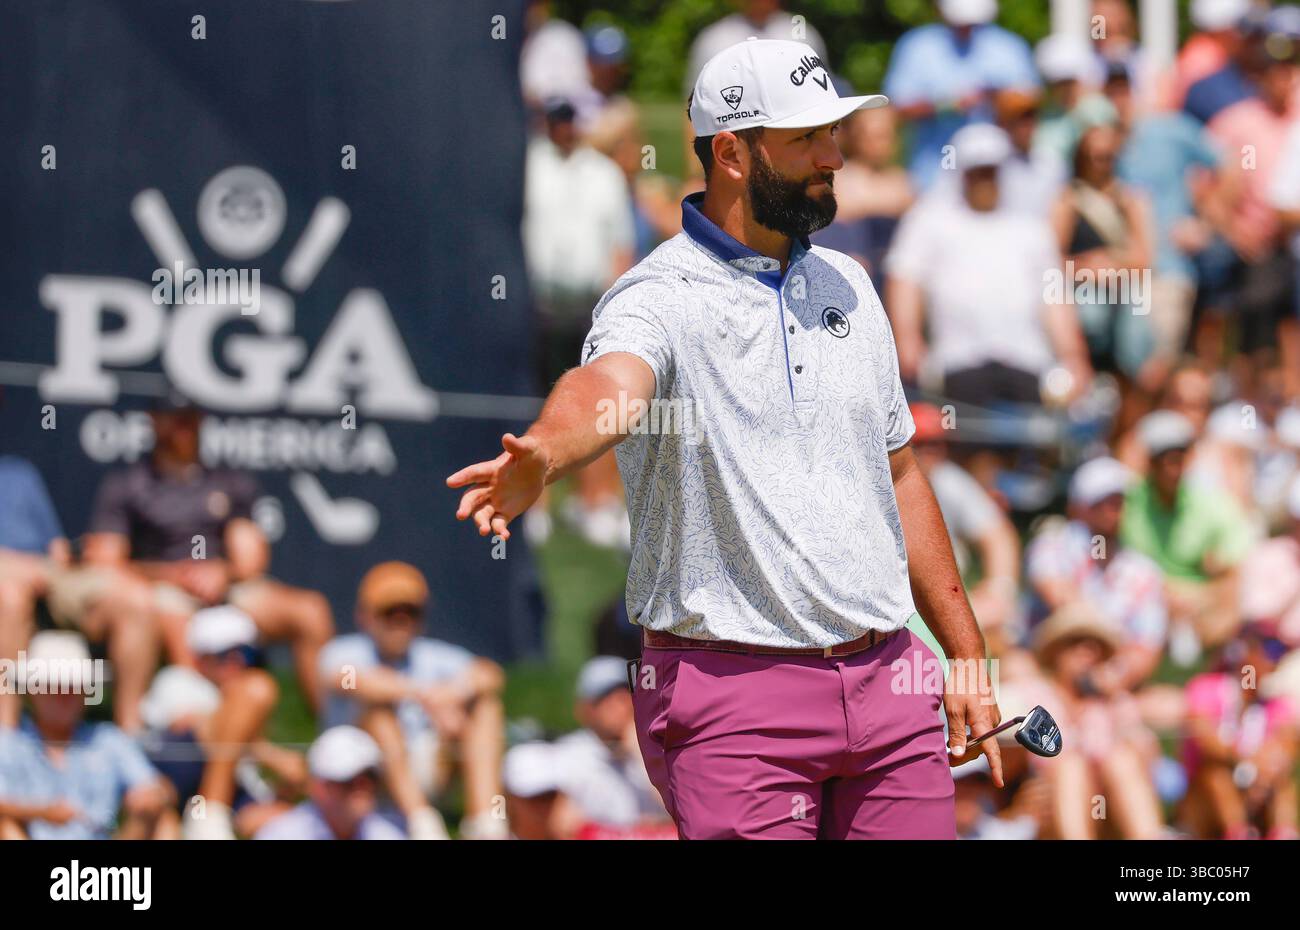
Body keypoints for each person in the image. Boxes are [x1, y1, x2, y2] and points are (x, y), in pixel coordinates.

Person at [449, 39, 1003, 840]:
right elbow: (609, 387)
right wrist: (550, 449)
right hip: (734, 697)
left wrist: (965, 656)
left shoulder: (850, 282)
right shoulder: (657, 296)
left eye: (833, 133)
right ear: (733, 153)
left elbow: (903, 476)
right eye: (807, 138)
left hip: (891, 683)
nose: (834, 156)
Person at [82, 397, 334, 713]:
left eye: (191, 419)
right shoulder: (127, 485)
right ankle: (210, 732)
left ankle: (333, 733)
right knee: (177, 621)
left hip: (227, 588)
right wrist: (173, 575)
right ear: (153, 421)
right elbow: (107, 561)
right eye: (175, 419)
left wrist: (222, 573)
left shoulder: (229, 481)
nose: (183, 428)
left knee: (311, 610)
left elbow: (251, 559)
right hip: (159, 592)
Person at [887, 123, 1093, 406]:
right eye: (977, 171)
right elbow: (905, 277)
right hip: (957, 363)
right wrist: (908, 340)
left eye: (991, 170)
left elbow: (1054, 298)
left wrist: (1073, 356)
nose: (985, 179)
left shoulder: (1031, 228)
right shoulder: (928, 220)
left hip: (1027, 362)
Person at [318, 561, 506, 840]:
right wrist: (430, 698)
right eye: (389, 613)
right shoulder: (342, 651)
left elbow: (491, 674)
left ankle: (486, 824)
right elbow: (352, 681)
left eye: (410, 612)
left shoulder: (432, 654)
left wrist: (456, 692)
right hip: (365, 777)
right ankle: (423, 824)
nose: (400, 622)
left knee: (486, 707)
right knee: (378, 714)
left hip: (430, 763)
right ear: (364, 616)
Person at [0, 456, 159, 732]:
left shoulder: (21, 473)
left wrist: (61, 561)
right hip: (11, 582)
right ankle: (6, 732)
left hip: (46, 575)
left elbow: (57, 548)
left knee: (136, 600)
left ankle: (132, 735)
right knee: (9, 596)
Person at [0, 631, 176, 840]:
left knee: (162, 817)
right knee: (6, 825)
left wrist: (152, 796)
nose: (63, 696)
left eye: (71, 687)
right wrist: (43, 812)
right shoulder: (9, 744)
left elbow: (158, 788)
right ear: (32, 692)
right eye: (52, 687)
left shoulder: (108, 739)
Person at [1019, 602, 1165, 839]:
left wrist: (1114, 698)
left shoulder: (1112, 700)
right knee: (1071, 768)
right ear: (1057, 651)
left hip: (1107, 808)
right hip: (1046, 806)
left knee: (1121, 760)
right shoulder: (1033, 694)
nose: (1086, 652)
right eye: (1076, 643)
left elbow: (1149, 757)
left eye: (1094, 647)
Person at [1121, 410, 1256, 656]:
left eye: (1179, 459)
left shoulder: (1214, 505)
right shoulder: (1126, 504)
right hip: (1139, 611)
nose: (1173, 470)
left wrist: (1195, 600)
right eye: (1165, 460)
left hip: (1198, 614)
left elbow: (1233, 574)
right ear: (1150, 462)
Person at [1025, 457, 1167, 690]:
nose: (1112, 509)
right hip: (1045, 668)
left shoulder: (1144, 572)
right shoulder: (1051, 547)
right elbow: (1060, 601)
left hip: (1107, 683)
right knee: (1018, 669)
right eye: (1101, 501)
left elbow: (1146, 650)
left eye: (1118, 501)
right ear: (1078, 507)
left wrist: (1103, 681)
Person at [883, 0, 1038, 190]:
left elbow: (1030, 102)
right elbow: (898, 107)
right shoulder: (917, 46)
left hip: (1001, 170)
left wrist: (997, 99)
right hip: (934, 170)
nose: (968, 30)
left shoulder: (1009, 47)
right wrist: (948, 105)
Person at [1049, 120, 1157, 388]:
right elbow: (1051, 259)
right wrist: (1086, 269)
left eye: (1108, 157)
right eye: (1094, 157)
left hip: (1126, 286)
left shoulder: (1130, 200)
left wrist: (1112, 266)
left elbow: (1145, 258)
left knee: (1137, 338)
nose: (1101, 164)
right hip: (1081, 287)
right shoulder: (1068, 200)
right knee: (1091, 314)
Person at [909, 403, 1020, 647]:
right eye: (922, 443)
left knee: (1000, 632)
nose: (930, 452)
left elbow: (998, 536)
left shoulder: (949, 480)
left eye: (936, 443)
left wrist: (999, 588)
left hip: (948, 597)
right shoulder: (883, 485)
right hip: (903, 605)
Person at [1180, 622, 1298, 839]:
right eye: (1271, 650)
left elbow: (1285, 749)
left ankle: (1284, 833)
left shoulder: (1277, 704)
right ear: (1245, 651)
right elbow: (1206, 742)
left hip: (1257, 796)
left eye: (1281, 653)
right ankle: (1237, 833)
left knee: (1282, 784)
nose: (1276, 661)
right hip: (1204, 804)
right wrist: (1248, 761)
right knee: (1216, 773)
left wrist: (1266, 770)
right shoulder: (1206, 688)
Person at [175, 605, 283, 840]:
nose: (238, 661)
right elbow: (192, 729)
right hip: (183, 788)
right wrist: (269, 754)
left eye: (246, 653)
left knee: (287, 822)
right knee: (258, 689)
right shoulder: (180, 682)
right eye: (225, 654)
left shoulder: (252, 697)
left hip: (241, 797)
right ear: (199, 659)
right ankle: (210, 816)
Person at [552, 656, 670, 832]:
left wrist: (639, 749)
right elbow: (563, 826)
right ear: (585, 710)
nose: (621, 705)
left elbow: (679, 810)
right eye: (607, 698)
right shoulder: (569, 756)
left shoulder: (658, 749)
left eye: (625, 695)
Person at [255, 726, 406, 840]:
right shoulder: (282, 835)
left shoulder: (388, 834)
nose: (363, 788)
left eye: (370, 777)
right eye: (349, 781)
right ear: (319, 788)